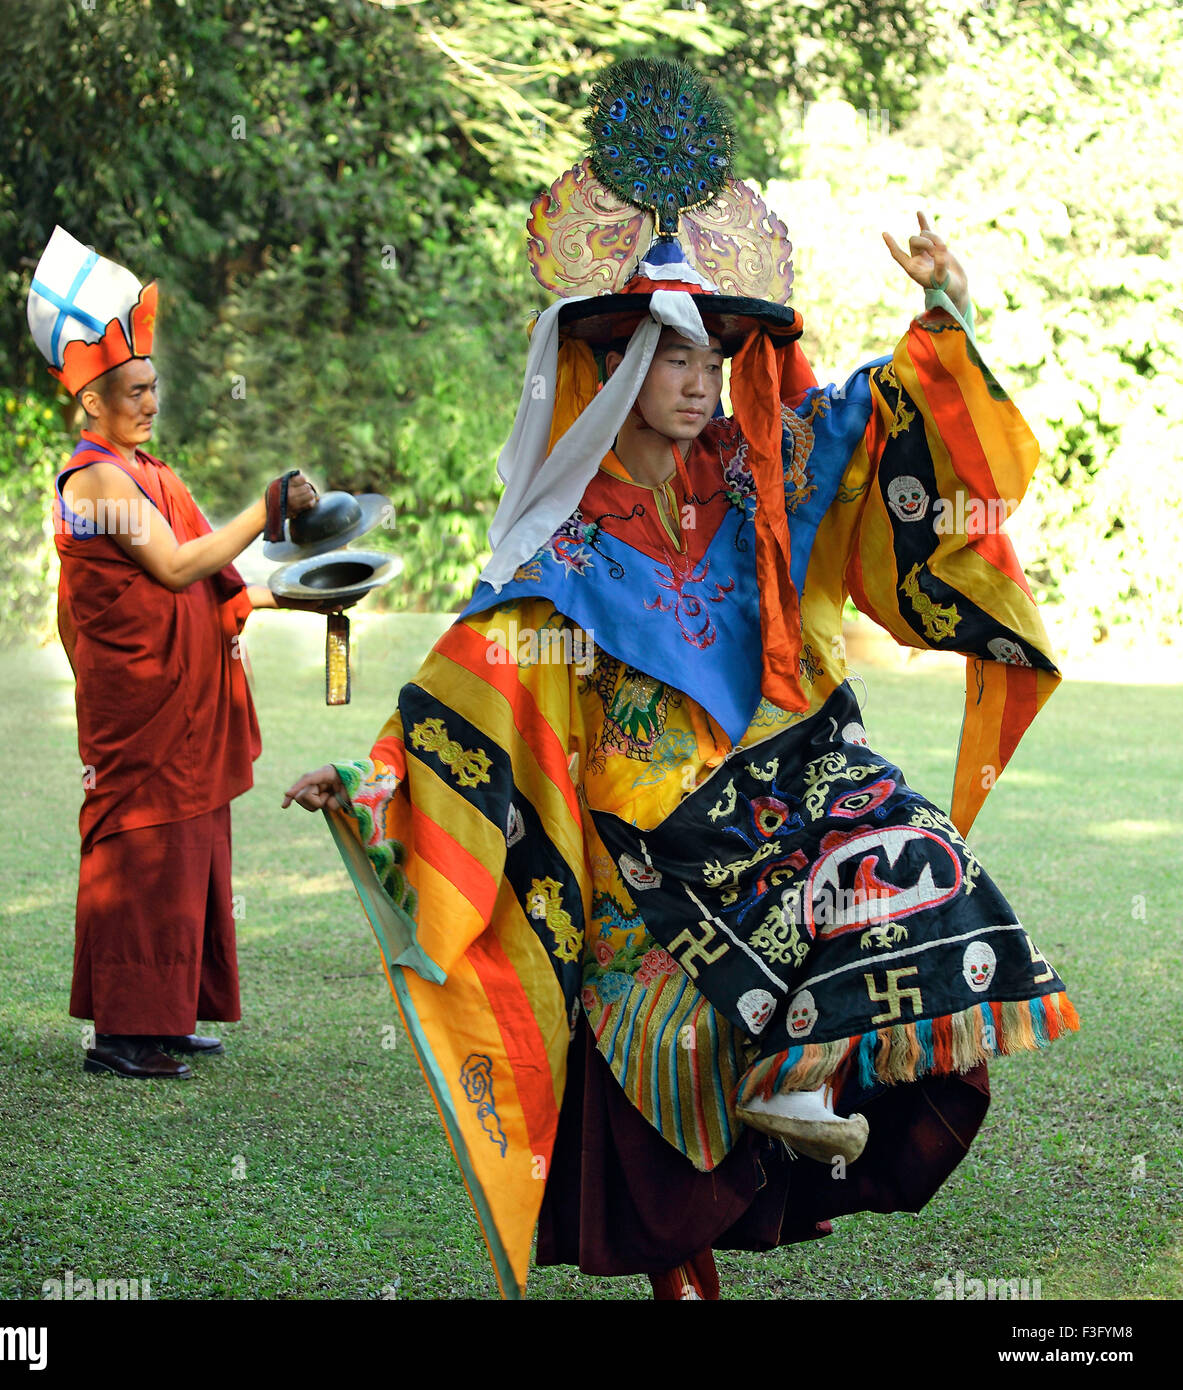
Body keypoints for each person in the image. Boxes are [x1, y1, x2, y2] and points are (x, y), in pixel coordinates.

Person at [284, 59, 1079, 1298]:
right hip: (653, 839)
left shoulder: (769, 470)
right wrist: (375, 773)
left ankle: (808, 1073)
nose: (705, 377)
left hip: (792, 775)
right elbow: (479, 679)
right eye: (674, 356)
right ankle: (747, 1153)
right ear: (612, 365)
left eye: (717, 353)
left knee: (915, 845)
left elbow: (886, 421)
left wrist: (949, 310)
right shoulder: (569, 548)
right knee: (691, 997)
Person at [28, 225, 324, 1080]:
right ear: (91, 401)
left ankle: (168, 1013)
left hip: (180, 698)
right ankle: (123, 1033)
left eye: (154, 387)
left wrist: (301, 593)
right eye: (133, 390)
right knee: (141, 853)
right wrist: (266, 505)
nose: (149, 402)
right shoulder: (93, 483)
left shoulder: (149, 472)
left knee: (193, 852)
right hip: (139, 704)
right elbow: (171, 565)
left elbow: (214, 583)